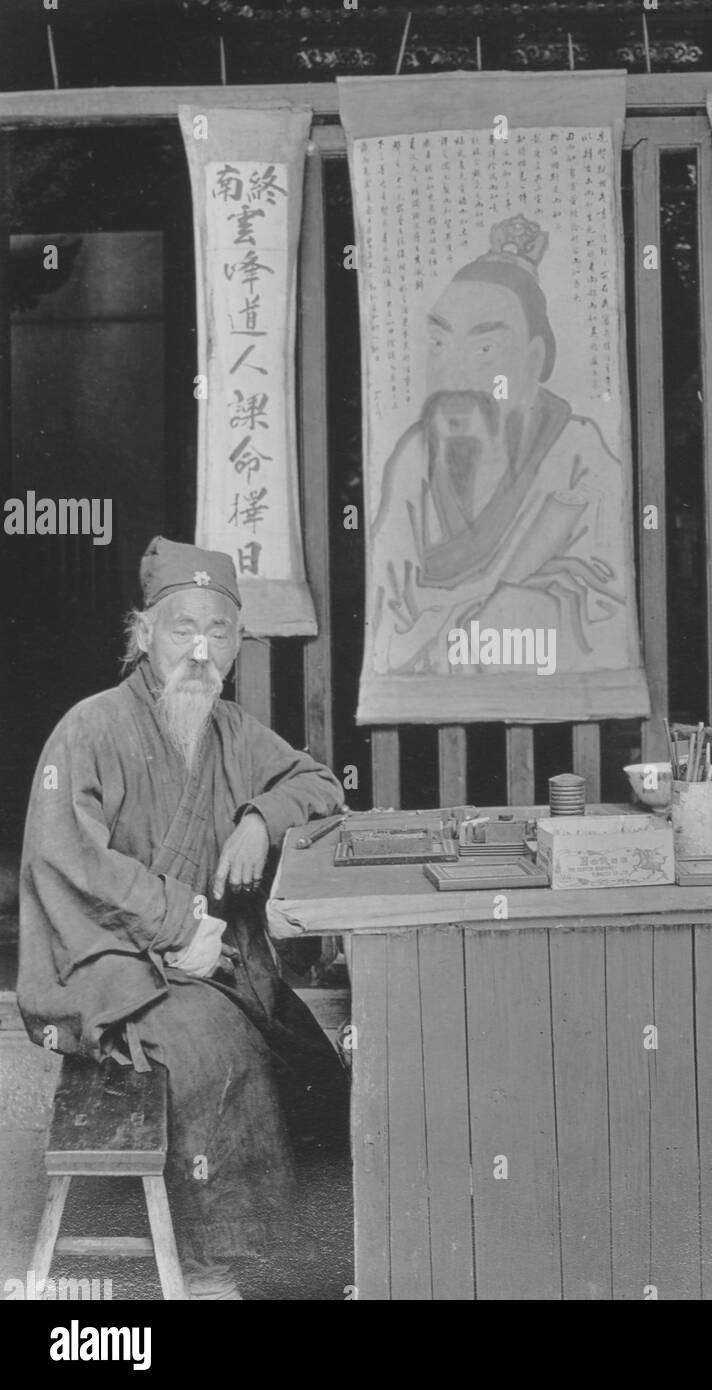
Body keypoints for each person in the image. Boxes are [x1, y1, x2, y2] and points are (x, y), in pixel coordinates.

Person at [17, 536, 347, 1300]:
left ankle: (311, 1258)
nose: (201, 651)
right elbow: (66, 855)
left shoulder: (231, 731)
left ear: (235, 644)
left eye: (220, 632)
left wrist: (261, 817)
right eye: (181, 629)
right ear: (143, 636)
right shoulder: (91, 727)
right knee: (219, 1059)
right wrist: (176, 924)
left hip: (209, 964)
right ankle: (216, 1273)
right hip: (111, 966)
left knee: (311, 1062)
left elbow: (318, 780)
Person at [368, 213, 633, 678]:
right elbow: (387, 605)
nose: (454, 374)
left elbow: (605, 598)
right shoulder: (415, 457)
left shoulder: (580, 451)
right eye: (438, 343)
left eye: (485, 350)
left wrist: (479, 603)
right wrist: (486, 592)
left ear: (535, 358)